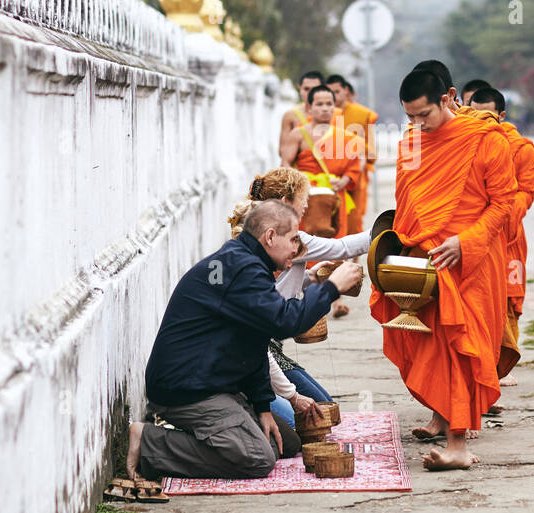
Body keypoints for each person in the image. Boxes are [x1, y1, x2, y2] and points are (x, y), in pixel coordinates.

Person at [129, 201, 363, 481]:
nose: (296, 249)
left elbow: (253, 342)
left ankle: (211, 435)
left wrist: (263, 406)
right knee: (258, 458)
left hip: (214, 383)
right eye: (292, 239)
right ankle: (150, 442)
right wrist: (331, 288)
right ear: (270, 236)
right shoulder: (241, 268)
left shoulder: (245, 262)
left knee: (285, 443)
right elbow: (284, 321)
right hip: (186, 390)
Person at [370, 69, 516, 470]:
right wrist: (401, 248)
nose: (417, 125)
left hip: (470, 261)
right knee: (430, 346)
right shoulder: (412, 144)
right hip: (426, 262)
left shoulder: (486, 141)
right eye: (410, 117)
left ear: (449, 98)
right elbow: (408, 201)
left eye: (424, 115)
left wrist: (465, 242)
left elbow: (503, 203)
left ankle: (459, 445)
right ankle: (447, 427)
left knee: (461, 346)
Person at [228, 167, 373, 419]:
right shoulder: (285, 239)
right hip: (256, 350)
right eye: (303, 201)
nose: (306, 207)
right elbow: (340, 247)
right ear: (286, 203)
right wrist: (385, 232)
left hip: (264, 345)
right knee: (311, 416)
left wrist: (310, 277)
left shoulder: (254, 236)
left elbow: (276, 289)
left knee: (323, 408)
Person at [467, 87, 534, 388]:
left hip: (508, 240)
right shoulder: (463, 143)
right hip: (474, 238)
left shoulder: (520, 149)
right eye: (474, 114)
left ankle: (497, 370)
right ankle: (480, 375)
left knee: (507, 304)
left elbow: (526, 192)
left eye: (489, 115)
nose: (482, 121)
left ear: (501, 115)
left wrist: (501, 212)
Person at [280, 84, 363, 243]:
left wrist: (343, 181)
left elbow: (353, 168)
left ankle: (333, 268)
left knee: (336, 242)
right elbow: (285, 163)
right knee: (304, 243)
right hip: (305, 197)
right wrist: (300, 182)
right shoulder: (299, 134)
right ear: (310, 107)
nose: (325, 108)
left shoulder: (346, 136)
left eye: (329, 104)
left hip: (334, 196)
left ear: (334, 106)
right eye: (319, 104)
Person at [326, 76, 379, 235]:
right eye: (330, 92)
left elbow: (371, 151)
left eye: (337, 91)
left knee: (354, 219)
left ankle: (354, 258)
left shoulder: (362, 114)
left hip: (356, 173)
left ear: (346, 91)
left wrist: (352, 145)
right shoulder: (325, 115)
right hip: (329, 174)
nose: (334, 96)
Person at [278, 70, 325, 149]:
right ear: (299, 89)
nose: (310, 93)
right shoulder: (291, 116)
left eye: (315, 89)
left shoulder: (335, 114)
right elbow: (283, 149)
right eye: (306, 89)